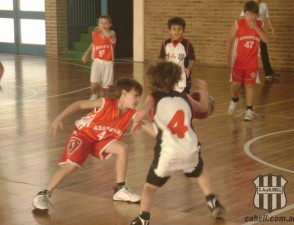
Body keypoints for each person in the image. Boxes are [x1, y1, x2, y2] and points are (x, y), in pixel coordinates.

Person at [129, 61, 225, 225]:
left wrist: (137, 121)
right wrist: (203, 89)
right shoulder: (185, 96)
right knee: (200, 172)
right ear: (175, 79)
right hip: (190, 147)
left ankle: (143, 218)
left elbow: (137, 117)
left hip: (168, 153)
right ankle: (212, 201)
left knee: (149, 187)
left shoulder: (153, 98)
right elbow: (203, 108)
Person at [32, 77, 143, 211]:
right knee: (71, 166)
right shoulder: (105, 103)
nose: (138, 100)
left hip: (100, 139)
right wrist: (58, 118)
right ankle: (43, 194)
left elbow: (143, 122)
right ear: (124, 93)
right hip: (83, 135)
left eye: (139, 97)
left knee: (122, 148)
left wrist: (163, 135)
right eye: (135, 96)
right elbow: (79, 104)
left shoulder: (131, 113)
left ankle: (120, 189)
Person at [227, 0, 269, 121]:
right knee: (235, 84)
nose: (251, 17)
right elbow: (229, 40)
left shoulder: (260, 24)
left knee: (249, 85)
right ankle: (235, 99)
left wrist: (256, 26)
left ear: (257, 15)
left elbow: (266, 40)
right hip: (238, 60)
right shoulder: (238, 24)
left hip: (252, 60)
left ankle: (249, 109)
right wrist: (227, 57)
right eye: (248, 14)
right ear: (244, 14)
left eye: (254, 14)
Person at [82, 15, 116, 100]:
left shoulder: (112, 33)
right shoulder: (95, 34)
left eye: (105, 23)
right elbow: (93, 44)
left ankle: (101, 104)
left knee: (104, 87)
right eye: (101, 23)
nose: (103, 25)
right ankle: (94, 94)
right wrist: (86, 53)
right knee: (94, 84)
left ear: (110, 25)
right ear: (98, 23)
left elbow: (108, 36)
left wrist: (103, 29)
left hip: (107, 63)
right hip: (97, 62)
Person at [159, 16, 196, 94]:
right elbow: (161, 59)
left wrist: (188, 68)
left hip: (183, 77)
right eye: (174, 29)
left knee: (183, 99)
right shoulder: (165, 44)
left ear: (183, 30)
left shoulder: (187, 44)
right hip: (169, 77)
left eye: (179, 29)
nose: (177, 31)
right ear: (170, 31)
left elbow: (192, 60)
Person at [240, 0, 276, 80]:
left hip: (260, 32)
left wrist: (272, 28)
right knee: (248, 53)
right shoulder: (249, 5)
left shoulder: (264, 5)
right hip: (251, 33)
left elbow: (268, 18)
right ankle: (243, 72)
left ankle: (268, 72)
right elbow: (242, 18)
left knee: (264, 52)